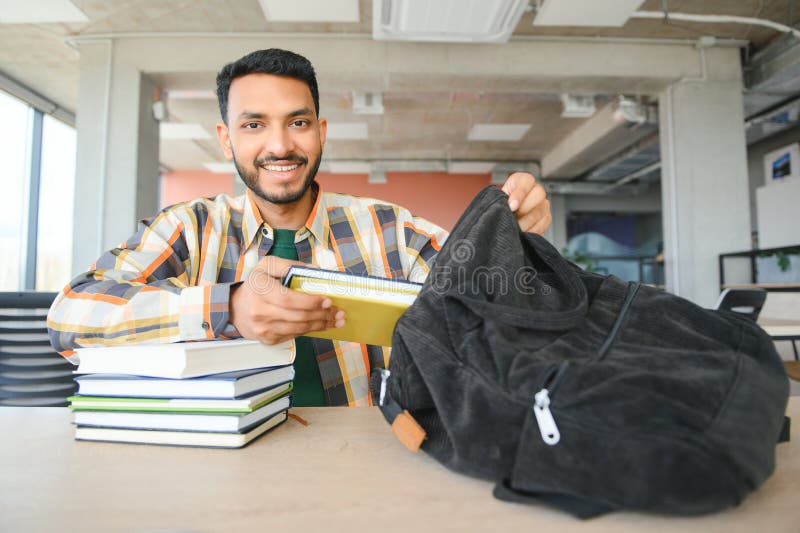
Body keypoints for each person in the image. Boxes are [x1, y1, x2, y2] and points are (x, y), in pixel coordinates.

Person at [47, 48, 552, 407]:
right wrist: (228, 307)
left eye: (298, 122)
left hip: (366, 463)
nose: (280, 146)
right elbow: (69, 317)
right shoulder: (188, 228)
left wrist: (517, 245)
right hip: (217, 471)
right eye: (253, 125)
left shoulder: (391, 229)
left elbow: (493, 306)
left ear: (320, 131)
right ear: (226, 139)